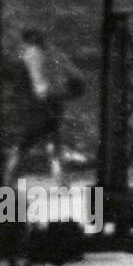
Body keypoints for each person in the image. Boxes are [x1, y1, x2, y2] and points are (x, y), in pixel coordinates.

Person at [2, 28, 81, 187]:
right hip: (55, 103)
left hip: (39, 105)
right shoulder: (54, 53)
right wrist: (66, 94)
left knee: (24, 144)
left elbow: (32, 86)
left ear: (26, 41)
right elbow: (77, 78)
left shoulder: (29, 54)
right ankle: (61, 181)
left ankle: (7, 181)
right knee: (52, 139)